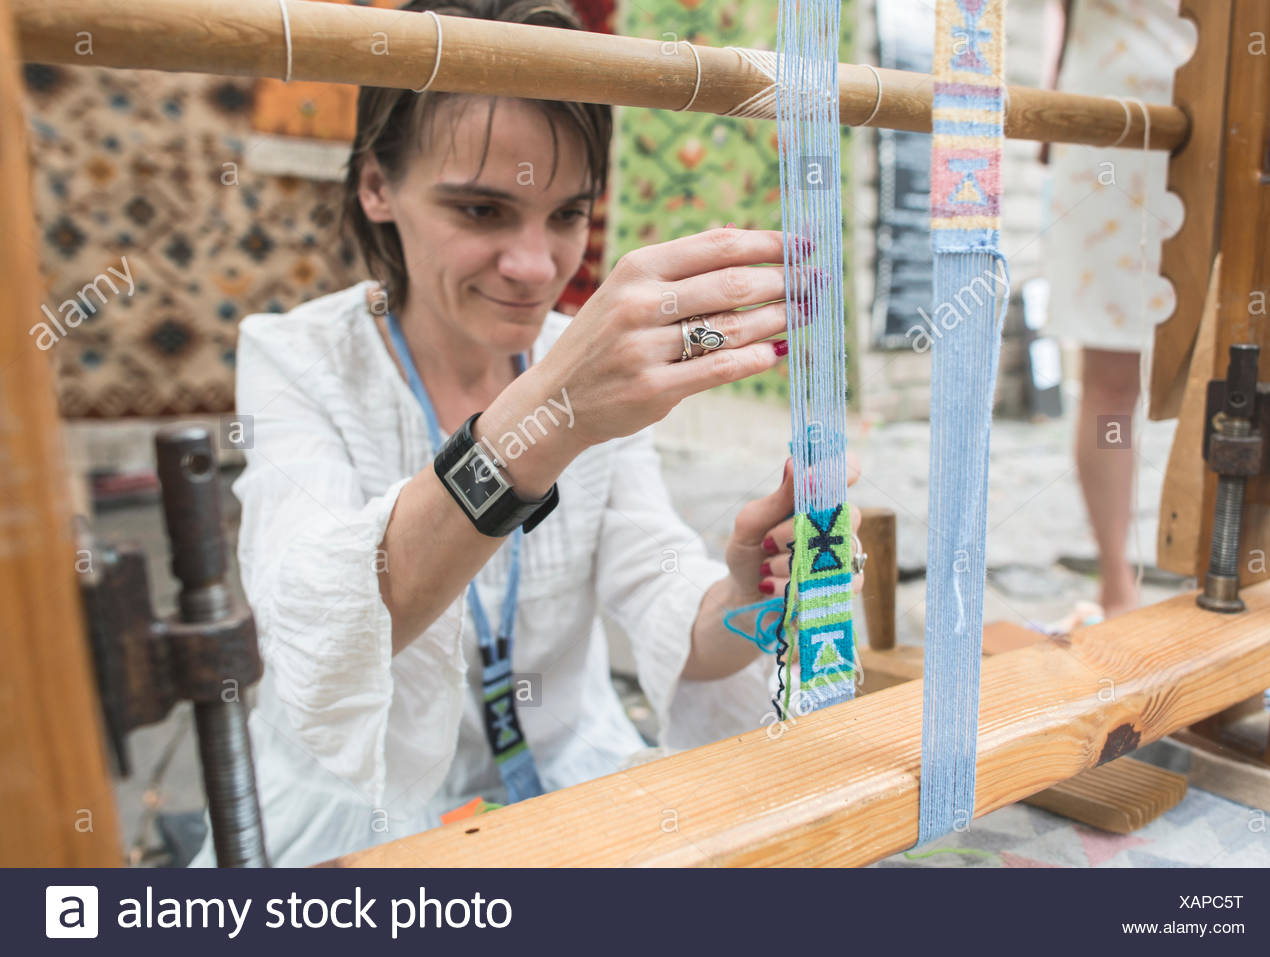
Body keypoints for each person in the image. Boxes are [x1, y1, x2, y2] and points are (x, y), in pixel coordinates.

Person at [191, 0, 862, 867]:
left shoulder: (580, 367)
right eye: (481, 212)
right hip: (353, 820)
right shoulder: (299, 362)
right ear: (375, 186)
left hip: (564, 794)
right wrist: (552, 413)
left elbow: (664, 608)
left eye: (567, 215)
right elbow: (324, 634)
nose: (537, 267)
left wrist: (749, 598)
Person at [1042, 0, 1194, 619]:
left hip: (1245, 122)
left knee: (1240, 366)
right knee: (1111, 382)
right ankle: (1117, 585)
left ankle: (1226, 571)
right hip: (1114, 131)